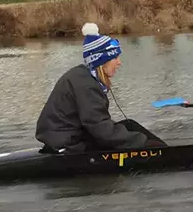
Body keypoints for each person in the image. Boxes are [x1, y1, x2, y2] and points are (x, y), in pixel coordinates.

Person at [36, 23, 164, 154]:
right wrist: (143, 143)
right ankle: (163, 153)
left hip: (73, 135)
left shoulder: (86, 76)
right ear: (102, 61)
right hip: (67, 143)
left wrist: (139, 139)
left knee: (129, 125)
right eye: (115, 58)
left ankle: (165, 150)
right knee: (143, 142)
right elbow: (101, 129)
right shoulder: (86, 85)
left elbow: (98, 125)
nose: (119, 62)